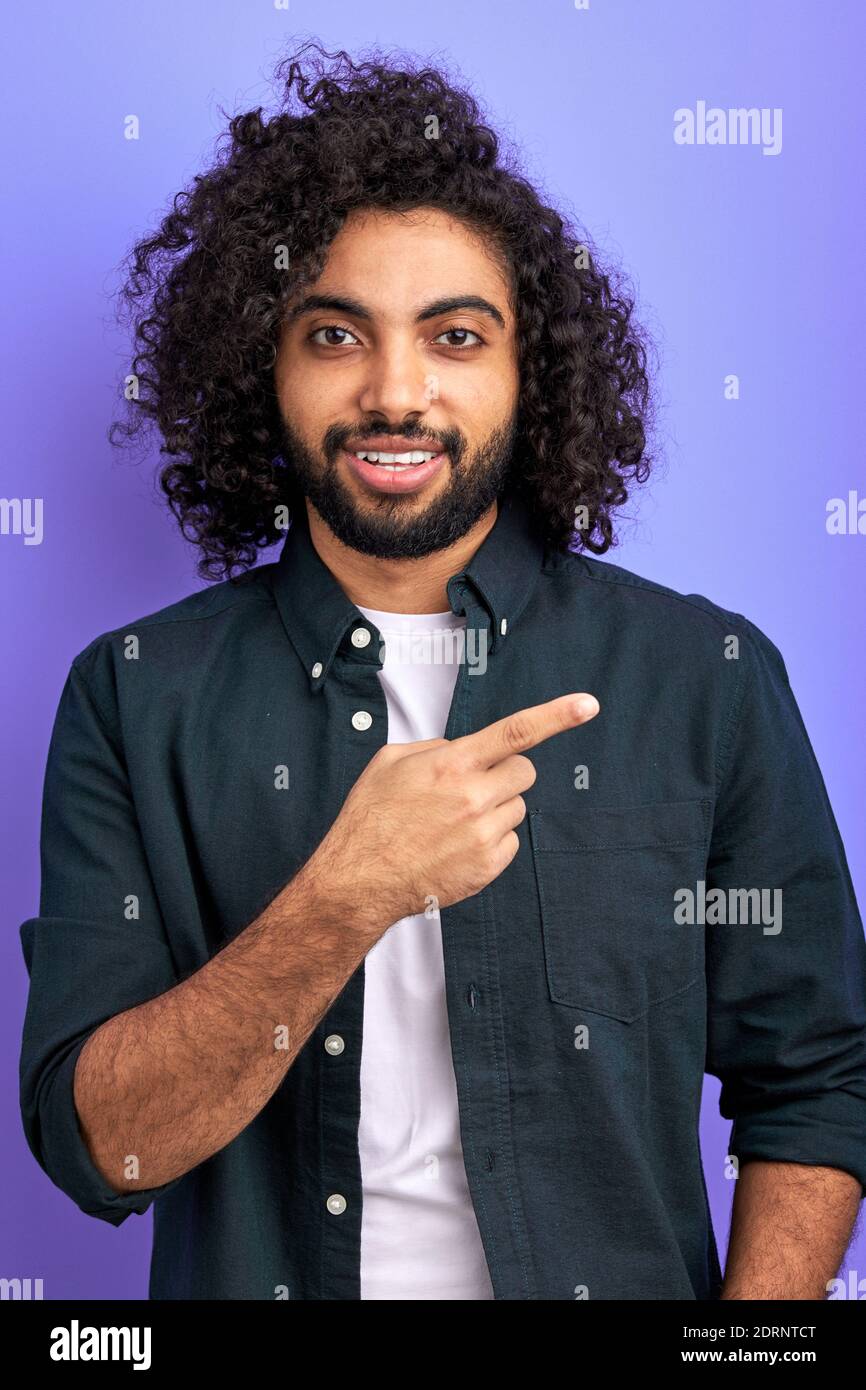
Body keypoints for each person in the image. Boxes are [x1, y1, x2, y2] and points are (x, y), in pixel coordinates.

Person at [19, 41, 866, 1300]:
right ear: (265, 367)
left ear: (533, 374)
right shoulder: (135, 695)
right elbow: (101, 1147)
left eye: (454, 336)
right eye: (334, 334)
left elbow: (814, 1079)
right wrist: (341, 899)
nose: (394, 391)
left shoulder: (705, 674)